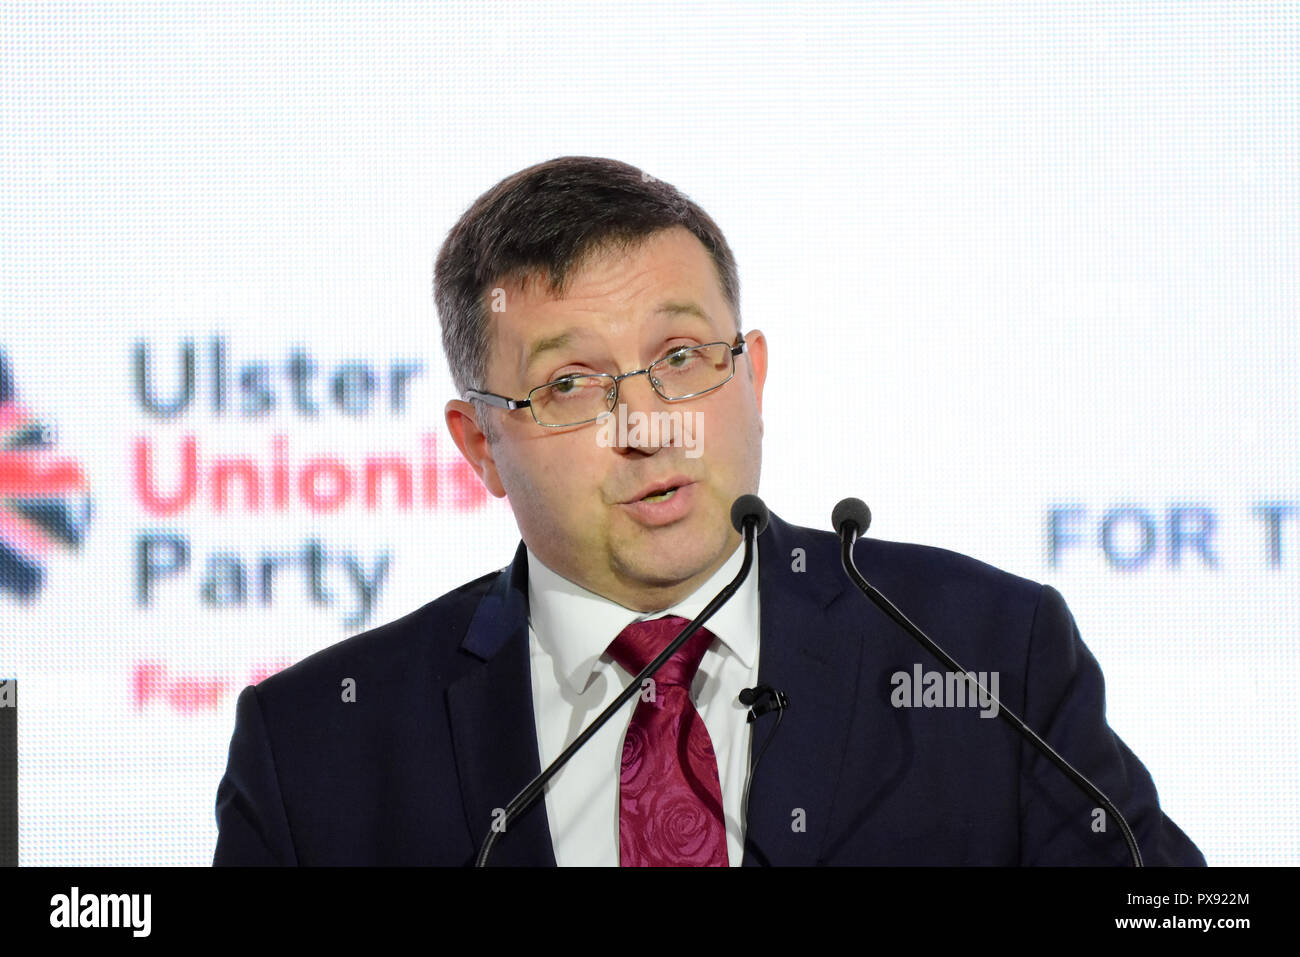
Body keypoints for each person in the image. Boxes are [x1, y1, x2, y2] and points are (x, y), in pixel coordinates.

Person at [213, 157, 1204, 866]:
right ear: (481, 447)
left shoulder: (984, 654)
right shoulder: (315, 749)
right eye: (570, 385)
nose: (649, 428)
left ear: (752, 376)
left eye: (681, 360)